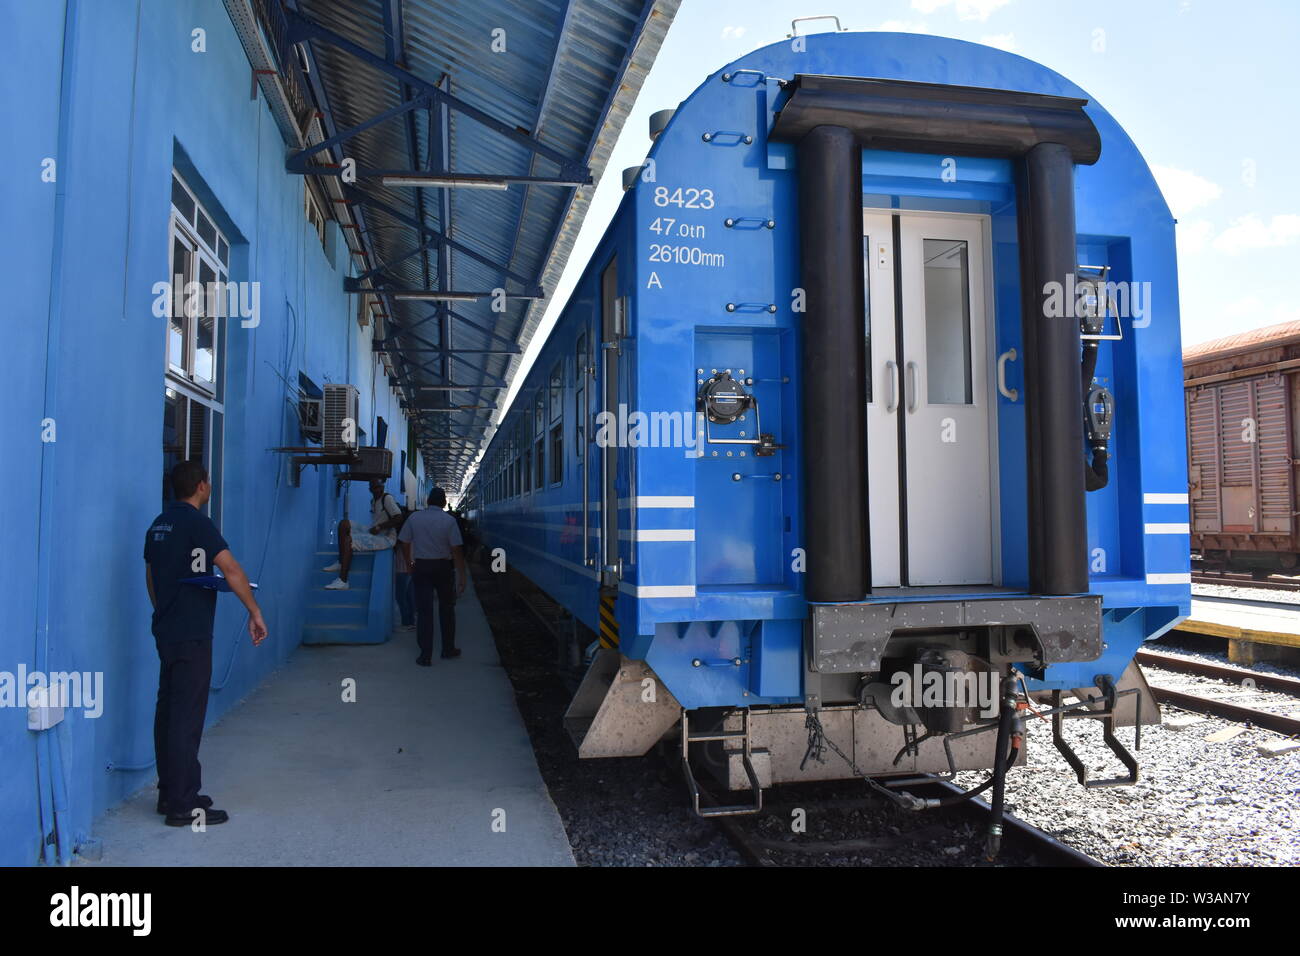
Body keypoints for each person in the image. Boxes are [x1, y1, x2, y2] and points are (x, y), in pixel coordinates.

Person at [144, 460, 267, 827]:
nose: (209, 486)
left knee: (168, 713)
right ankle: (183, 806)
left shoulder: (159, 524)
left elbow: (152, 576)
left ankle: (171, 793)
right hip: (192, 634)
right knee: (187, 717)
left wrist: (164, 609)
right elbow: (230, 568)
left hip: (166, 629)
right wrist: (254, 610)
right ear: (200, 486)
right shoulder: (197, 522)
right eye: (208, 481)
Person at [398, 488, 467, 665]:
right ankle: (448, 649)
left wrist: (409, 563)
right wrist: (461, 576)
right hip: (443, 567)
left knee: (424, 612)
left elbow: (404, 541)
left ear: (428, 501)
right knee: (447, 609)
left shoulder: (414, 518)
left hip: (421, 566)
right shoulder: (449, 521)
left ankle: (425, 655)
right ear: (444, 503)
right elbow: (456, 550)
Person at [324, 478, 403, 590]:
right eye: (375, 488)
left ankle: (343, 580)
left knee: (349, 540)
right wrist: (375, 527)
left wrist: (380, 527)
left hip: (386, 537)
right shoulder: (373, 501)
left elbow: (399, 518)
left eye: (380, 487)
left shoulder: (387, 498)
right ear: (370, 489)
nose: (378, 490)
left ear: (383, 487)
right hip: (372, 530)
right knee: (343, 524)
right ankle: (341, 562)